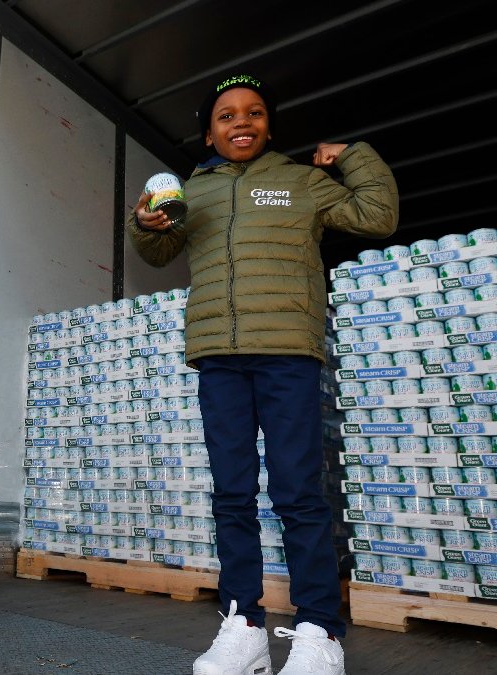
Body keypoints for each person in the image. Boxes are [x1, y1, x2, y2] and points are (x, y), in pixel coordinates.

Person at [129, 74, 398, 675]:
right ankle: (243, 626)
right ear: (210, 132)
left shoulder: (302, 182)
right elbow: (155, 252)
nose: (241, 122)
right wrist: (145, 224)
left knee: (298, 494)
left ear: (269, 126)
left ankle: (320, 632)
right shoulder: (191, 192)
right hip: (219, 356)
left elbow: (377, 216)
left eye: (253, 113)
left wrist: (352, 157)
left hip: (286, 352)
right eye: (226, 116)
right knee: (231, 495)